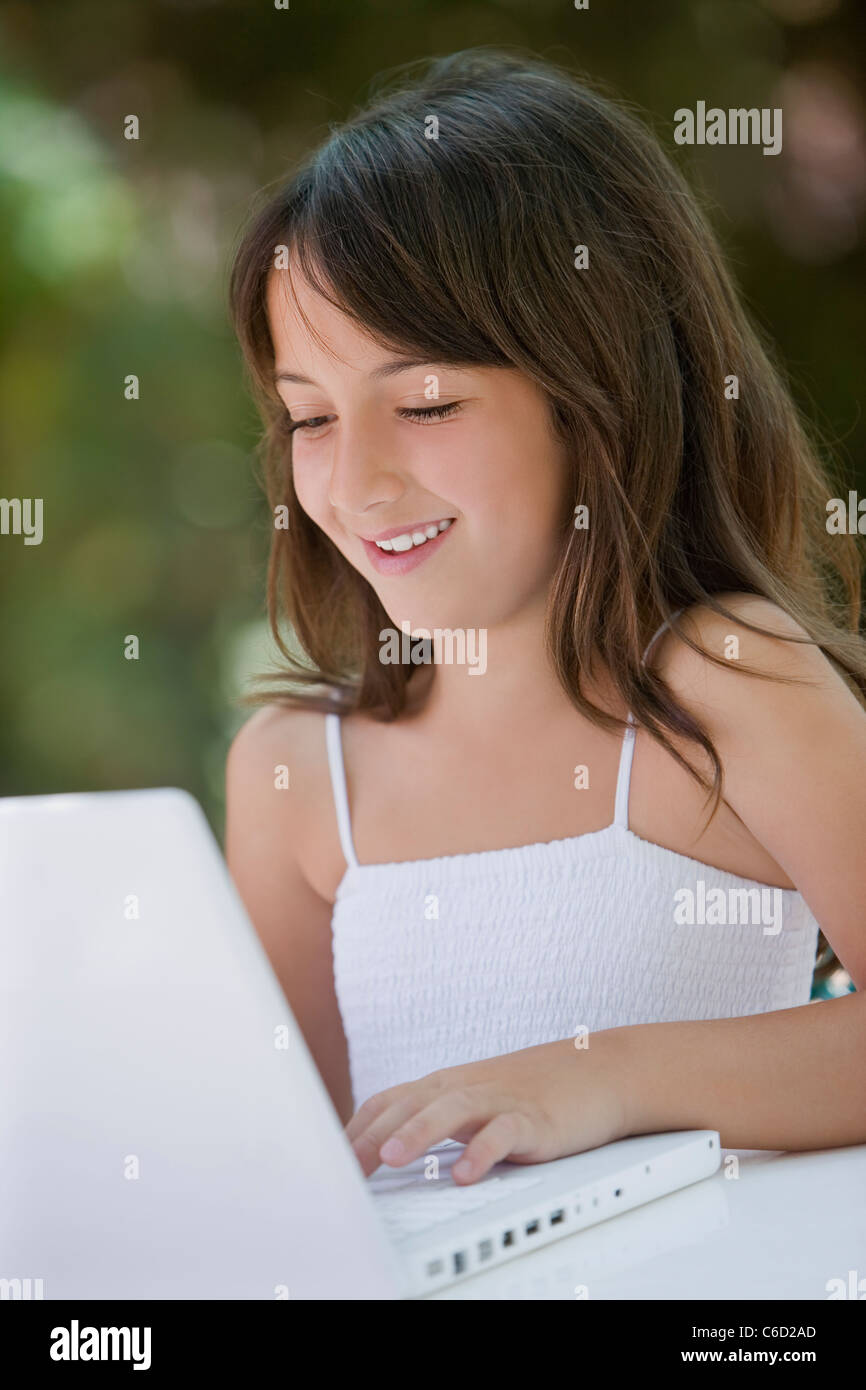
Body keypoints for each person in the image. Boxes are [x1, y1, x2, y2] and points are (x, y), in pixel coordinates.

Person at [225, 49, 866, 1186]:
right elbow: (291, 1177)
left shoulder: (725, 682)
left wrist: (596, 1076)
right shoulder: (290, 772)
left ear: (598, 394)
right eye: (309, 419)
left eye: (424, 401)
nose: (357, 481)